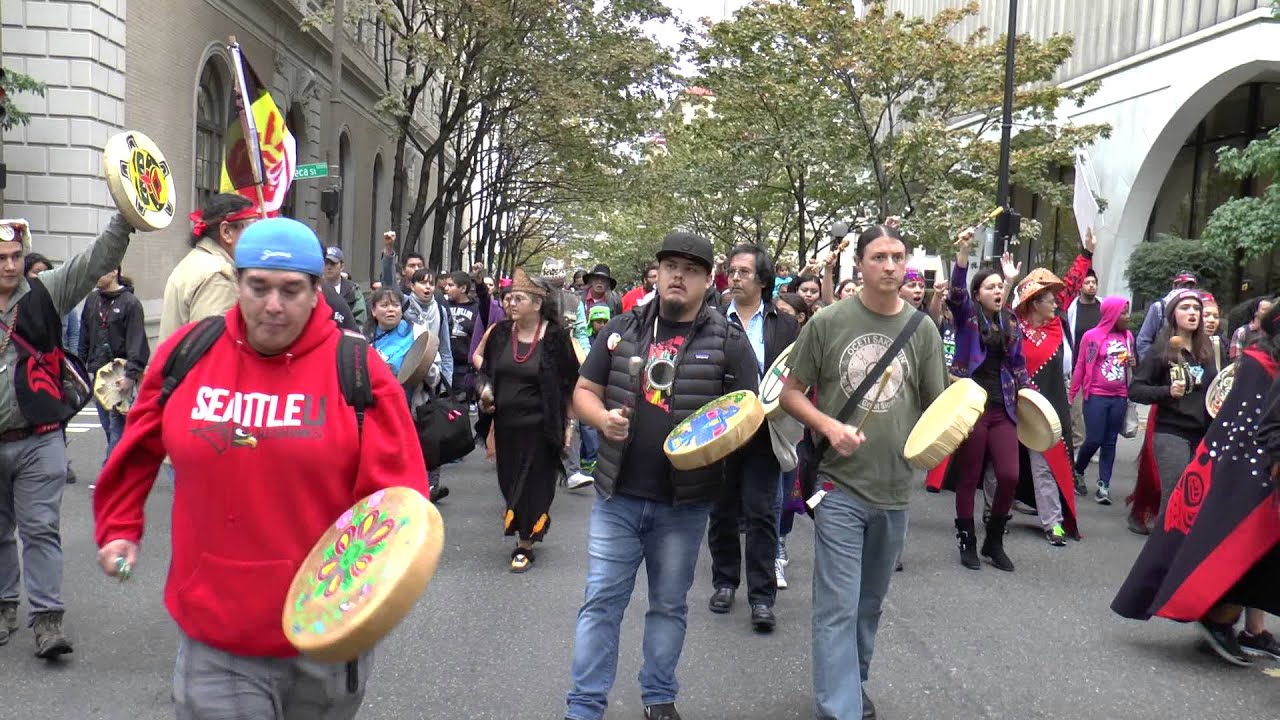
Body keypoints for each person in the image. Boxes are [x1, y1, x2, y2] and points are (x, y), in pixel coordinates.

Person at [92, 218, 429, 716]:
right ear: (238, 283)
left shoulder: (358, 370)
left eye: (291, 290)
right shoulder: (188, 353)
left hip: (326, 638)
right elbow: (137, 449)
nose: (273, 305)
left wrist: (368, 601)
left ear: (318, 292)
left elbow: (399, 504)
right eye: (259, 287)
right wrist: (119, 525)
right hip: (217, 631)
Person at [564, 232, 757, 720]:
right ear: (658, 271)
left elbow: (748, 414)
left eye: (690, 269)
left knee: (669, 606)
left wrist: (719, 446)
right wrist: (601, 420)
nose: (678, 275)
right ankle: (584, 706)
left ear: (706, 279)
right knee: (601, 603)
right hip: (617, 497)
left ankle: (659, 697)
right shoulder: (624, 327)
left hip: (684, 504)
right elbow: (584, 391)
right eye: (670, 265)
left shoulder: (730, 342)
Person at [779, 223, 946, 720]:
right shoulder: (828, 322)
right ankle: (839, 708)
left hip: (895, 489)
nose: (890, 266)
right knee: (837, 605)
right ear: (861, 265)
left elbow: (938, 405)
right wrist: (829, 426)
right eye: (879, 257)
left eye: (898, 257)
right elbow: (789, 392)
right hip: (838, 486)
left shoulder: (923, 329)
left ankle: (854, 682)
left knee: (869, 604)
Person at [1113, 302, 1280, 665]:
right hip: (1236, 467)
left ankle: (1255, 629)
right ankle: (1217, 618)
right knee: (1232, 546)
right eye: (1185, 307)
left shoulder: (1222, 353)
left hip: (1249, 466)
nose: (1194, 314)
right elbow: (1240, 424)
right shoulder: (1255, 365)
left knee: (1263, 553)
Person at [0, 213, 135, 656]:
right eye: (1, 258)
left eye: (17, 256)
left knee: (40, 529)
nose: (10, 265)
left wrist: (125, 218)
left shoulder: (46, 290)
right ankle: (4, 607)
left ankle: (47, 621)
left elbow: (97, 259)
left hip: (39, 438)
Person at [707, 244, 799, 633]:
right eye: (732, 271)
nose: (736, 278)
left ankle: (762, 597)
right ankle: (724, 582)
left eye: (745, 272)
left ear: (763, 279)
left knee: (762, 512)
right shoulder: (711, 320)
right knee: (723, 509)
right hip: (722, 430)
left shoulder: (785, 323)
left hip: (765, 429)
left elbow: (796, 372)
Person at [932, 228, 1033, 571]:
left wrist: (1029, 395)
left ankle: (994, 539)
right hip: (972, 405)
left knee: (1009, 475)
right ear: (978, 293)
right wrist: (962, 253)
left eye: (1001, 287)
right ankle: (967, 540)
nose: (998, 291)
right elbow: (956, 292)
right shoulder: (967, 315)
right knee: (970, 475)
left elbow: (1018, 364)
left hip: (1003, 406)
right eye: (990, 287)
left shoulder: (1011, 320)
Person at [475, 270, 580, 572]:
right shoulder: (499, 334)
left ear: (537, 303)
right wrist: (484, 391)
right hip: (506, 426)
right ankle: (523, 526)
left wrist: (569, 426)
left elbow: (571, 382)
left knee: (533, 484)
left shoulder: (556, 337)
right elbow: (485, 371)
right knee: (509, 483)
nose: (511, 303)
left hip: (541, 427)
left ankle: (525, 543)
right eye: (509, 298)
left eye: (518, 298)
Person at [1127, 289, 1216, 534]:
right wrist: (1167, 392)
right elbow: (1136, 390)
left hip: (1201, 434)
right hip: (1171, 432)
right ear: (1172, 314)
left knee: (1196, 498)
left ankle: (1180, 553)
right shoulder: (1161, 350)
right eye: (1185, 308)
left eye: (1196, 308)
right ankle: (1161, 553)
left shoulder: (1206, 349)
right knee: (1175, 496)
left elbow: (1212, 389)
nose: (1193, 313)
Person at [159, 194, 257, 342]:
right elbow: (213, 350)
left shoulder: (196, 261)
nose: (257, 238)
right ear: (226, 232)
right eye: (252, 228)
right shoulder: (218, 276)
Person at [78, 267, 150, 462]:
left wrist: (130, 375)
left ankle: (110, 471)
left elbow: (137, 341)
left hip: (120, 374)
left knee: (117, 425)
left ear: (113, 271)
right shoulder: (92, 300)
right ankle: (123, 461)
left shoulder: (130, 303)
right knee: (109, 427)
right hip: (97, 374)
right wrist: (80, 367)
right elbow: (84, 335)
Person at [1070, 296, 1135, 505]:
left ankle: (1103, 486)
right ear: (1112, 314)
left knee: (1110, 441)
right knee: (1094, 438)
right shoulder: (1092, 337)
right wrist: (1072, 394)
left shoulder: (1128, 337)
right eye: (1123, 312)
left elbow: (1131, 368)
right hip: (1096, 395)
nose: (1127, 317)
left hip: (1119, 397)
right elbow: (1081, 365)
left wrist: (1134, 362)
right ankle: (1078, 471)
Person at [24, 254, 82, 485]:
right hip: (28, 372)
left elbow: (74, 332)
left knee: (59, 417)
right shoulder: (18, 304)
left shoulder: (59, 301)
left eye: (45, 272)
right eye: (36, 272)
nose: (41, 277)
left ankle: (59, 460)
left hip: (57, 370)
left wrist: (73, 364)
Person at [540, 257, 593, 490]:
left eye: (558, 281)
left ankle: (572, 470)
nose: (555, 287)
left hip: (569, 362)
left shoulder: (574, 301)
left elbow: (581, 332)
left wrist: (587, 359)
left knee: (571, 414)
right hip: (538, 362)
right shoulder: (535, 298)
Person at [1067, 262, 1102, 453]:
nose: (1091, 286)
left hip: (1099, 367)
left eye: (1094, 282)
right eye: (1087, 282)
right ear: (1080, 286)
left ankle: (1093, 446)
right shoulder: (1072, 309)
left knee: (1095, 408)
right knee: (1077, 410)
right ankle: (1077, 446)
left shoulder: (1103, 307)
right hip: (1077, 367)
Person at [1135, 270, 1198, 359]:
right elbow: (1143, 341)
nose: (1186, 289)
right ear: (1174, 286)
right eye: (1183, 285)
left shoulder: (1196, 309)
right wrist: (1151, 365)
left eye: (1190, 286)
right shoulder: (1159, 308)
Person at [370, 287, 416, 376]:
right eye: (384, 305)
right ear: (373, 311)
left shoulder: (417, 331)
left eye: (396, 305)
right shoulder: (365, 338)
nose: (391, 309)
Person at [322, 246, 367, 329]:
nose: (329, 267)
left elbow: (360, 322)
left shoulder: (353, 290)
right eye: (326, 263)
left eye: (333, 264)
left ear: (342, 266)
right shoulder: (315, 289)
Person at [1229, 296, 1275, 361]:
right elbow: (1235, 357)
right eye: (1265, 309)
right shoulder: (1242, 332)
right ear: (1255, 312)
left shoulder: (1273, 333)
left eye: (1270, 310)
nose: (1269, 313)